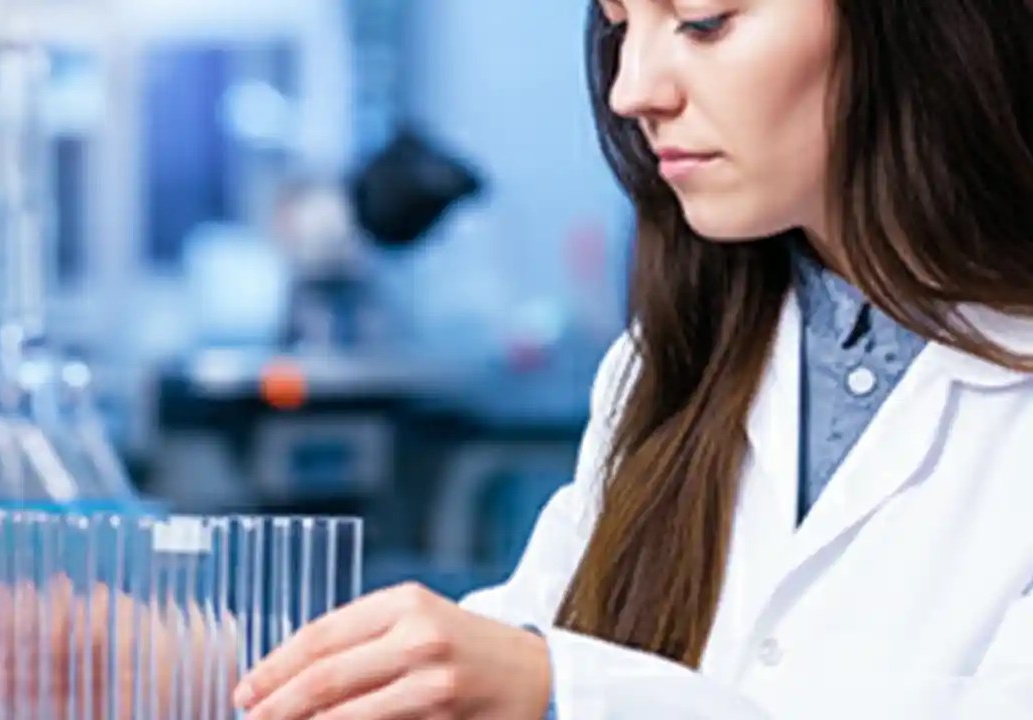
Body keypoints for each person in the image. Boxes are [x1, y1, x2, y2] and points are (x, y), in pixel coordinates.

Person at [226, 0, 1033, 718]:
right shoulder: (664, 367)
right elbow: (510, 648)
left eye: (703, 22)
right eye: (618, 27)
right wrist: (208, 664)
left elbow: (546, 677)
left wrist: (562, 694)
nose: (631, 90)